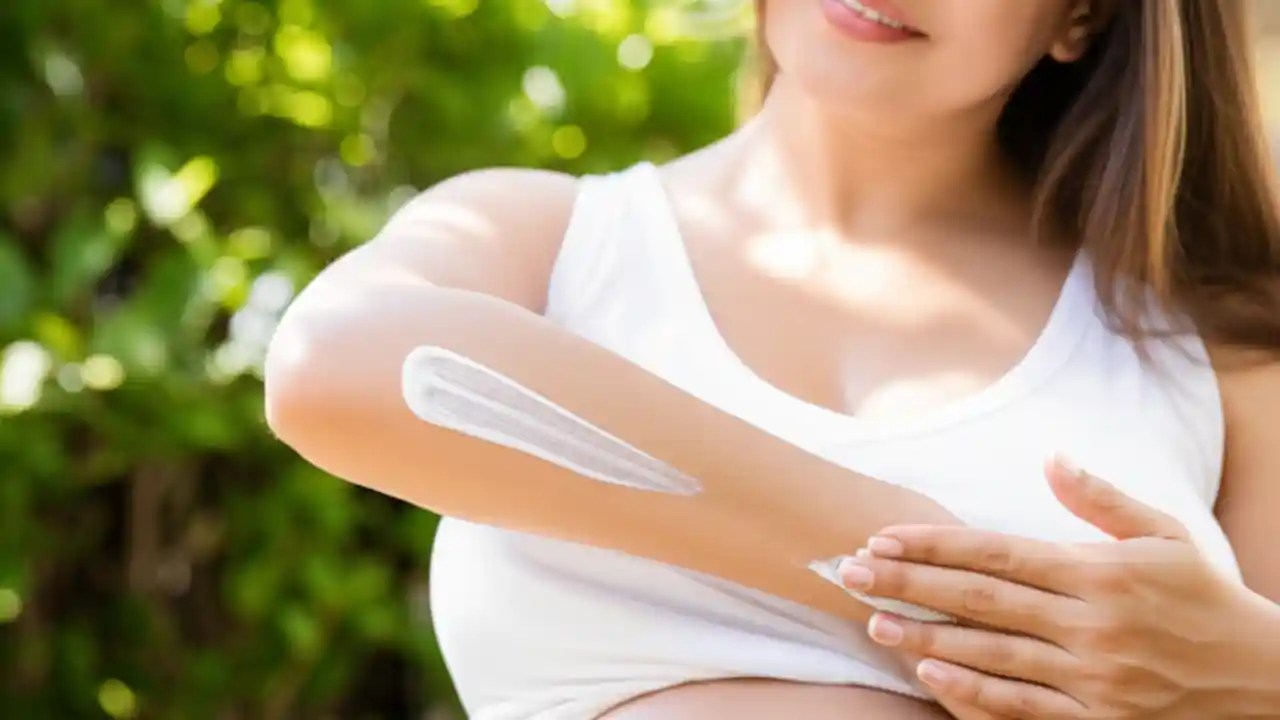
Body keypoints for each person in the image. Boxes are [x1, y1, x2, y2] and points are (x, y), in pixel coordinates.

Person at [263, 0, 1280, 717]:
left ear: (1082, 17)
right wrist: (963, 593)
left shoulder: (1209, 344)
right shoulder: (543, 239)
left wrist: (1252, 673)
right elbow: (328, 367)